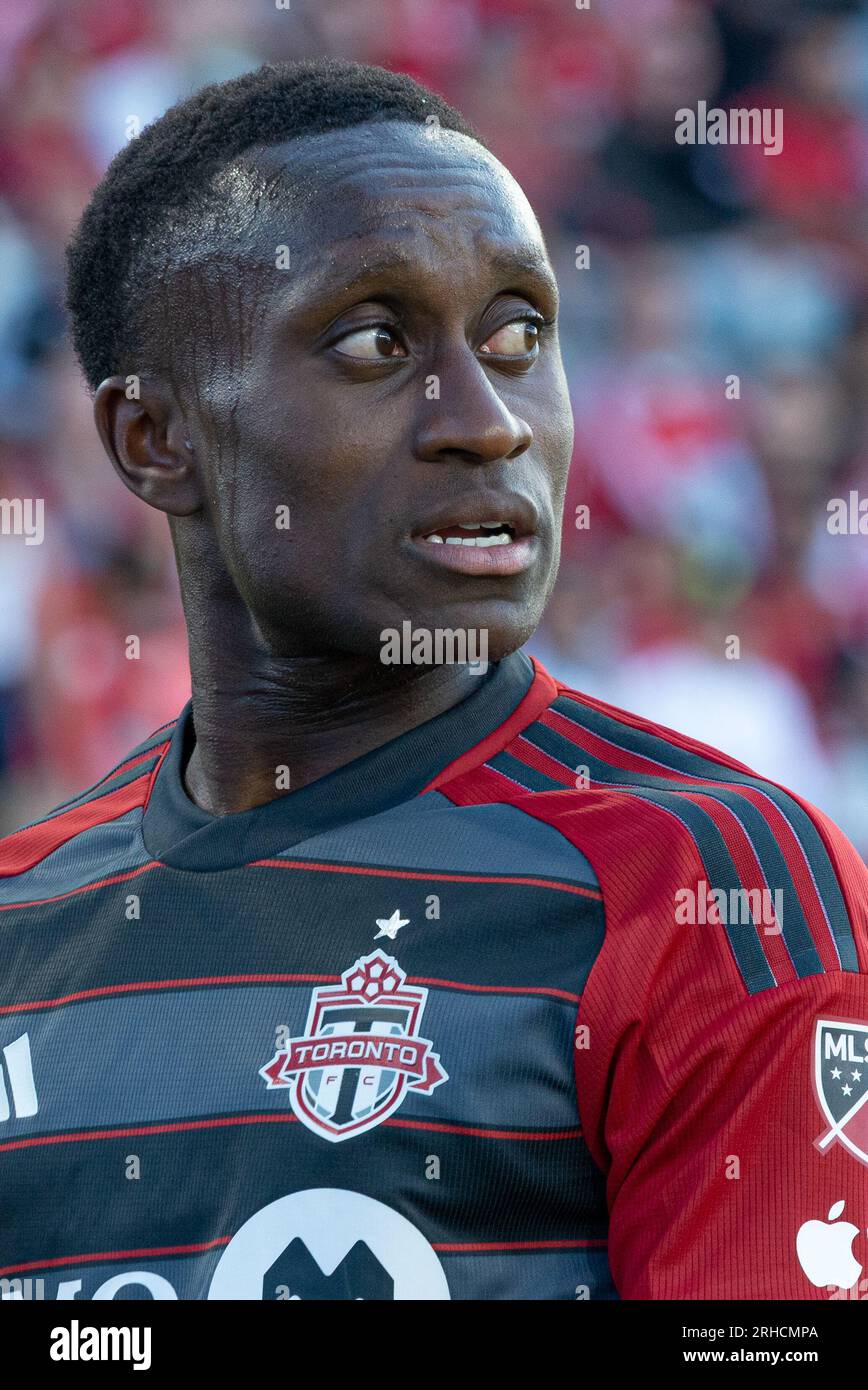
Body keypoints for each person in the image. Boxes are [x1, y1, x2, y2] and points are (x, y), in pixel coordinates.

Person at [0, 59, 865, 1302]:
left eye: (520, 334)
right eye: (374, 341)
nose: (489, 418)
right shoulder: (26, 922)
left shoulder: (712, 889)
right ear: (156, 439)